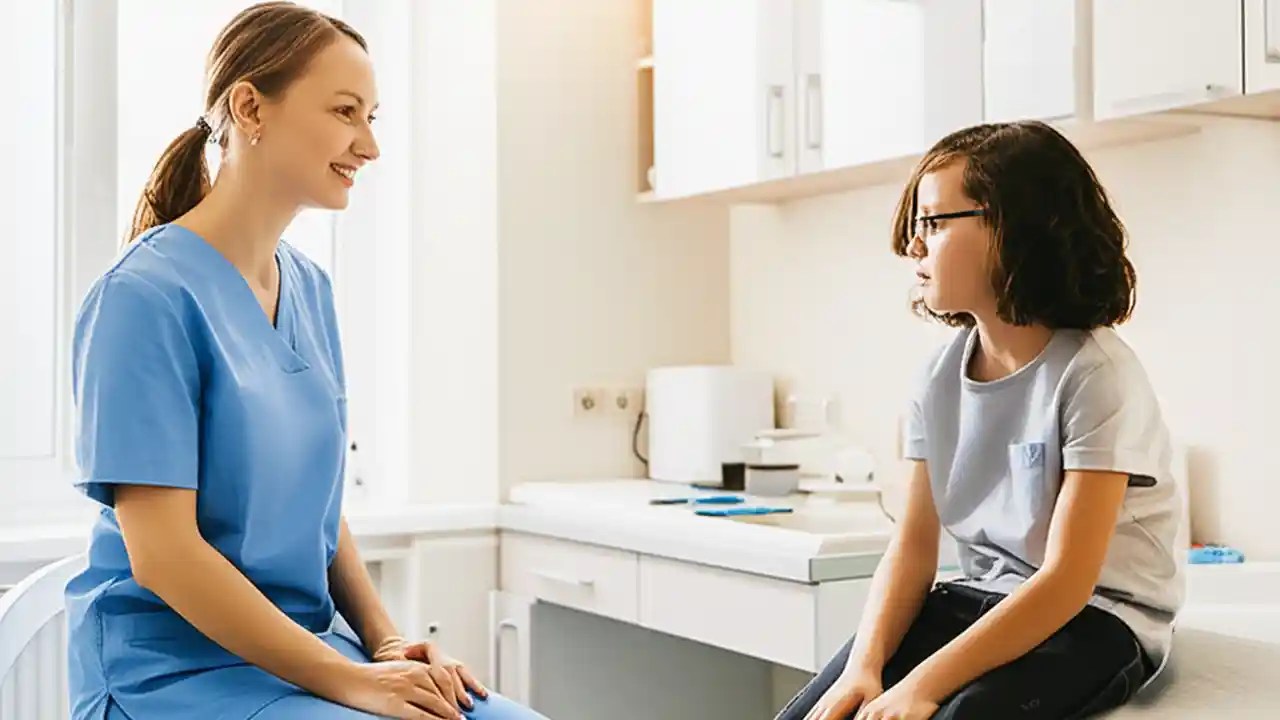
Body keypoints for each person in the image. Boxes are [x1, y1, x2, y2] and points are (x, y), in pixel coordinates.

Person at [64, 3, 547, 719]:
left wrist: (385, 646)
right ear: (250, 108)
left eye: (372, 117)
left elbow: (316, 510)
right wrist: (347, 679)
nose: (369, 146)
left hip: (305, 654)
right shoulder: (142, 297)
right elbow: (162, 555)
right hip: (171, 673)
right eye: (345, 111)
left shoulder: (309, 290)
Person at [776, 121, 1184, 720]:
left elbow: (1067, 582)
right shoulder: (939, 376)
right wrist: (865, 666)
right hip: (981, 598)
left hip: (1096, 618)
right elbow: (914, 547)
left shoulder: (1096, 375)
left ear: (1016, 231)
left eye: (934, 223)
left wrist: (921, 686)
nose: (913, 247)